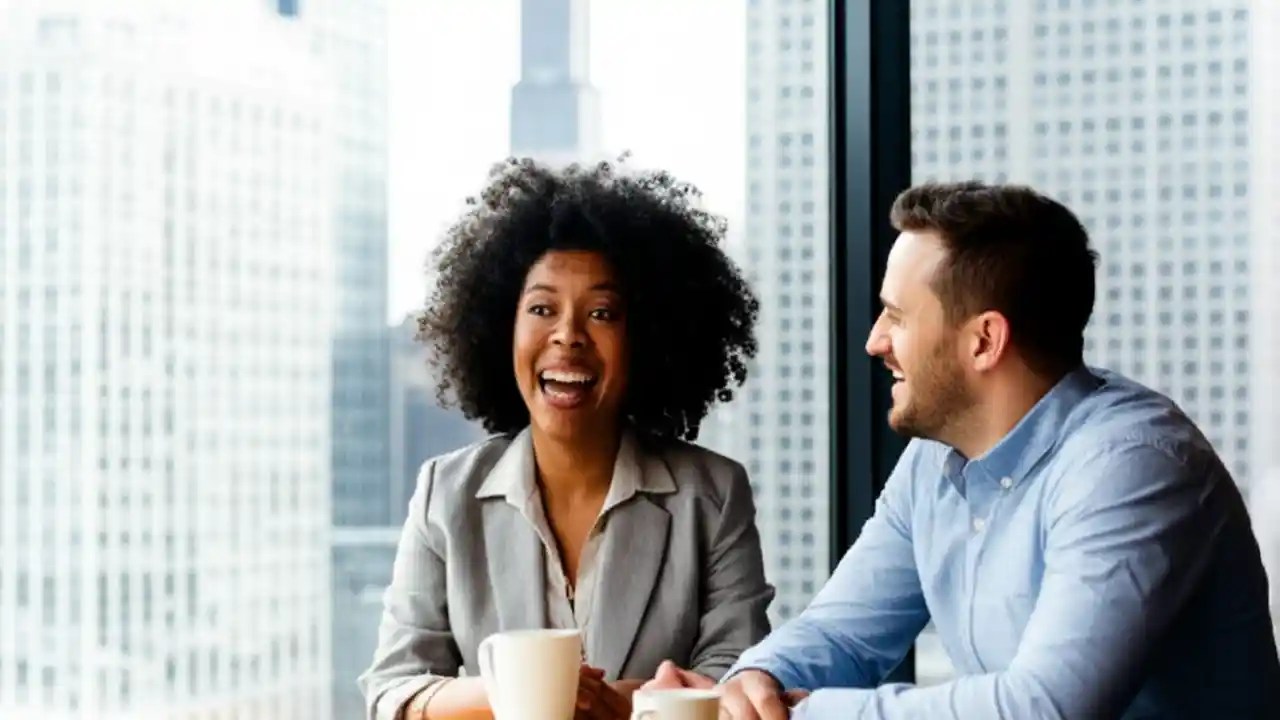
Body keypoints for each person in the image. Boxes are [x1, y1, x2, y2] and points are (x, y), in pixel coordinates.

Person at [645, 181, 1280, 718]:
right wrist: (751, 685)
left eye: (897, 316)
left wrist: (806, 713)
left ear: (983, 341)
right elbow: (842, 630)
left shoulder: (1132, 465)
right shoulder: (937, 460)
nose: (874, 341)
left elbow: (1044, 708)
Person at [358, 158, 774, 720]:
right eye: (541, 308)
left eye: (602, 312)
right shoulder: (445, 493)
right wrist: (515, 693)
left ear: (648, 335)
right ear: (500, 328)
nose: (568, 335)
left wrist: (619, 705)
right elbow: (392, 695)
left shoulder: (713, 494)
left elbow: (739, 684)